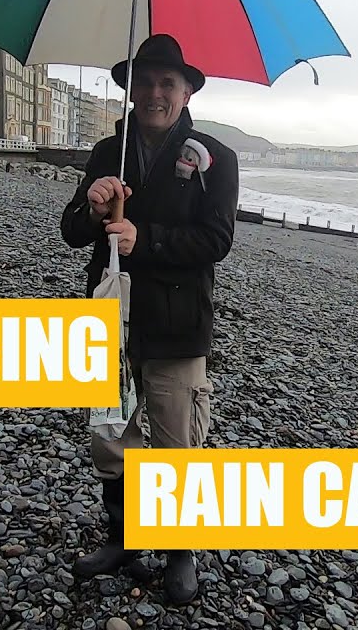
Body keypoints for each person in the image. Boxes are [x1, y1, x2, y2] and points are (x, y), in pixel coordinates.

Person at [59, 34, 239, 604]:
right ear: (130, 90)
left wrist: (147, 239)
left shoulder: (216, 158)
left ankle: (180, 554)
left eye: (168, 83)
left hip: (177, 322)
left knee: (175, 440)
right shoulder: (106, 153)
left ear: (187, 93)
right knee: (113, 437)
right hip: (110, 319)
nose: (156, 93)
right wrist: (93, 206)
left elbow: (217, 240)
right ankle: (123, 541)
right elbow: (70, 232)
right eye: (146, 82)